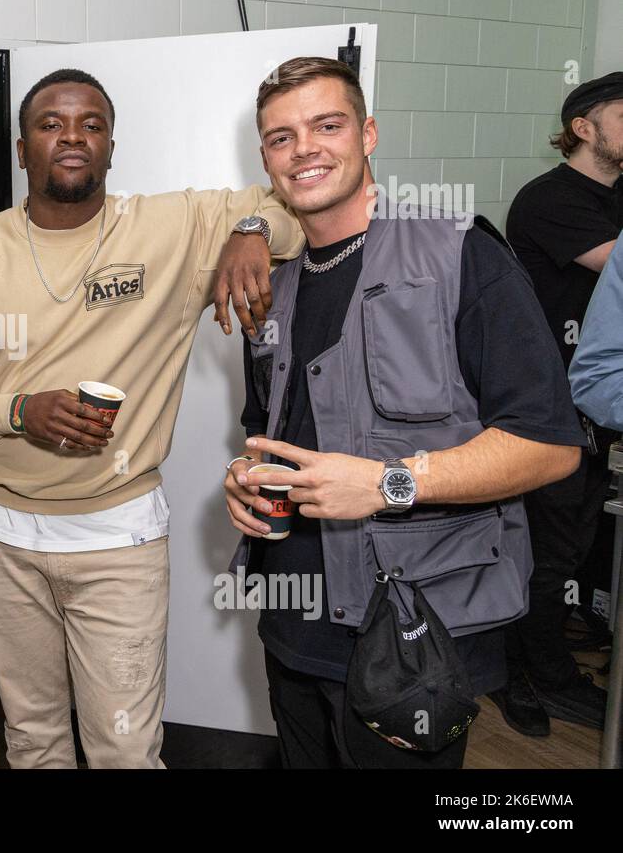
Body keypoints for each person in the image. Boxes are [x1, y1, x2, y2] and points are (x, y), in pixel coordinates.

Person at [0, 66, 303, 768]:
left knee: (123, 746)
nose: (72, 136)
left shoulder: (169, 226)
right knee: (33, 740)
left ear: (112, 147)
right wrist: (19, 411)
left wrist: (247, 229)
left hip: (117, 536)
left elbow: (298, 205)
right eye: (51, 124)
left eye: (91, 124)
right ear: (21, 148)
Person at [223, 56, 584, 768]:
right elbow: (268, 429)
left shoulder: (461, 256)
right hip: (294, 624)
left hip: (415, 634)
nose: (305, 150)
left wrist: (391, 483)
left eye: (327, 125)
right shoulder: (277, 284)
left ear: (369, 134)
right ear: (266, 158)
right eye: (281, 137)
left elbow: (550, 446)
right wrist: (245, 474)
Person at [498, 71, 623, 735]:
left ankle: (538, 662)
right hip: (545, 406)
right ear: (584, 126)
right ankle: (531, 676)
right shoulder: (550, 199)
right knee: (543, 555)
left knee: (570, 548)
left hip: (598, 403)